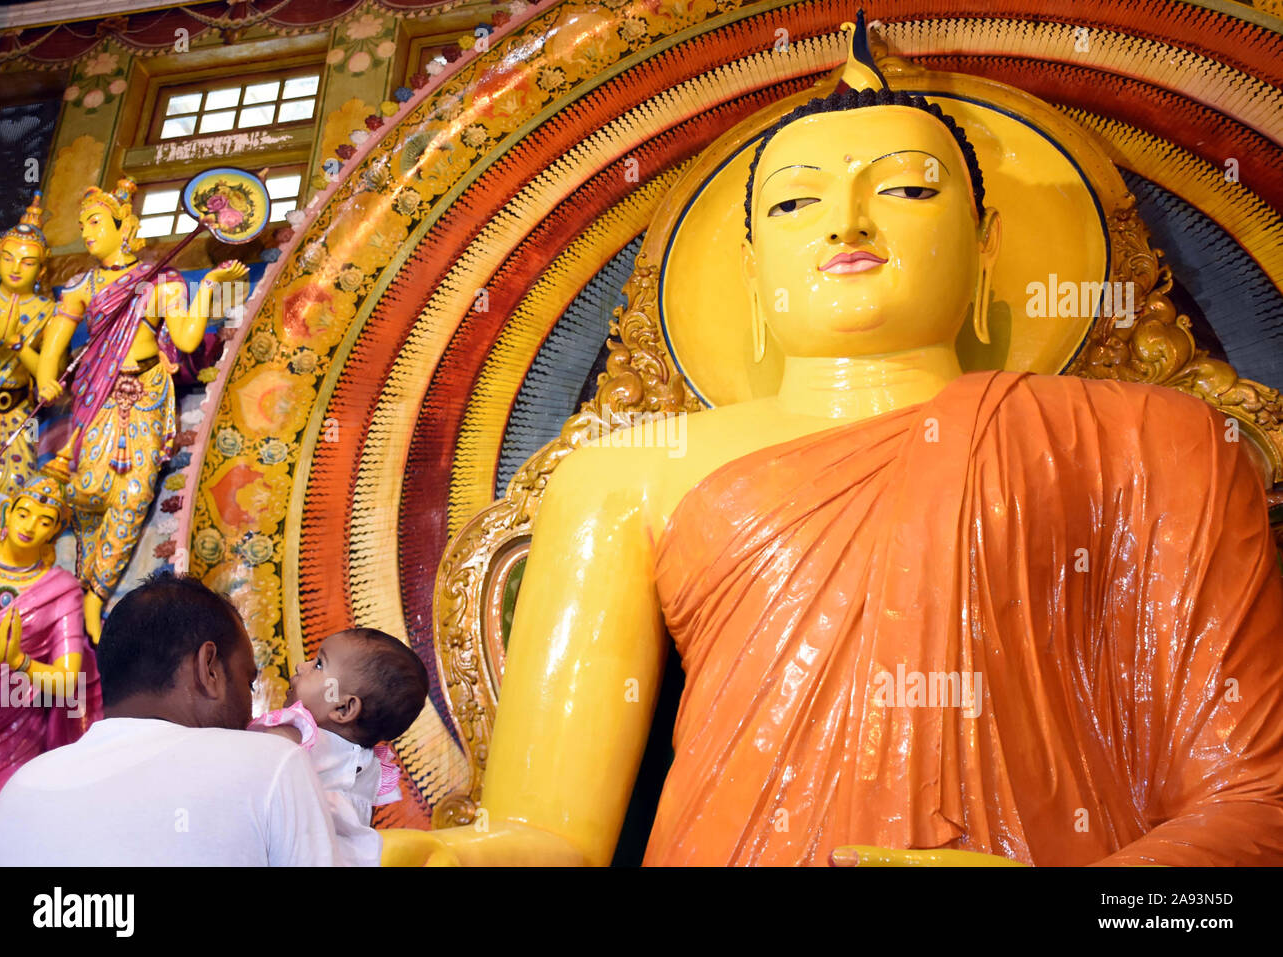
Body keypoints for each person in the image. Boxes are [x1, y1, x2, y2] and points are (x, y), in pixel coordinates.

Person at [382, 35, 1283, 866]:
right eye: (794, 202)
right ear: (750, 270)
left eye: (906, 190)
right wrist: (470, 857)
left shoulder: (1154, 441)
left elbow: (1257, 810)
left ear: (986, 247)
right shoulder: (621, 474)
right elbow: (549, 832)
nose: (846, 226)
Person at [0, 571, 342, 865]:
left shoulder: (17, 793)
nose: (251, 708)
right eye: (248, 682)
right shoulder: (271, 763)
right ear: (209, 668)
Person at [35, 176, 247, 644]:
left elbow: (188, 340)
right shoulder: (82, 285)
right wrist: (47, 376)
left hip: (149, 392)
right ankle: (79, 582)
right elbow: (54, 342)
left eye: (95, 222)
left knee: (133, 495)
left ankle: (93, 596)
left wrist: (209, 284)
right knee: (89, 492)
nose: (87, 232)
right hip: (99, 393)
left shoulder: (160, 282)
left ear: (122, 225)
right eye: (82, 224)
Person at [249, 627, 429, 866]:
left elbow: (245, 770)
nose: (301, 666)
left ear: (343, 708)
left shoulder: (295, 734)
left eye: (319, 665)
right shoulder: (365, 769)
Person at [0, 476, 97, 825]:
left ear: (56, 531)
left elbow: (66, 684)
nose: (30, 526)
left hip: (16, 733)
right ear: (6, 512)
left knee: (5, 823)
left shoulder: (61, 591)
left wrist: (20, 662)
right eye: (24, 513)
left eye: (45, 521)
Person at [0, 192, 58, 494]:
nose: (15, 268)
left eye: (27, 263)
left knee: (18, 484)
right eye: (8, 258)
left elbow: (49, 376)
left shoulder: (50, 311)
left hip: (21, 409)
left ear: (40, 270)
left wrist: (18, 345)